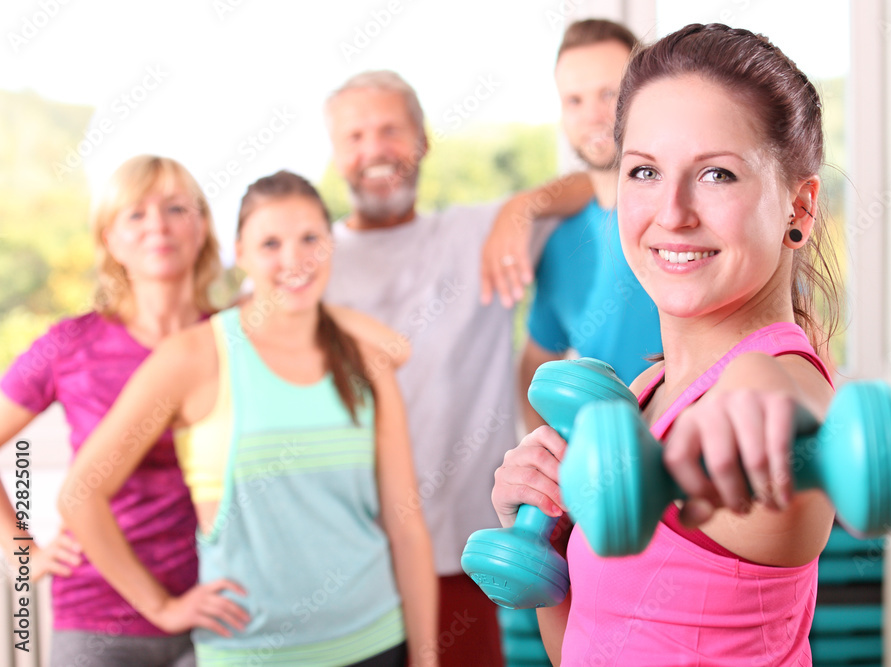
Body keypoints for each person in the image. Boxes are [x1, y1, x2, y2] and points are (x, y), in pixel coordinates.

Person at [492, 23, 843, 666]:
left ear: (799, 207)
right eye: (646, 170)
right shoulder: (644, 393)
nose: (672, 212)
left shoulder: (783, 381)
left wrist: (755, 396)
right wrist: (544, 535)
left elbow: (789, 435)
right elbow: (591, 642)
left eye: (716, 174)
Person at [58, 170, 437, 666]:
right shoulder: (197, 356)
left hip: (375, 641)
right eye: (270, 243)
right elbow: (80, 493)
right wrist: (162, 608)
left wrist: (427, 655)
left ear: (331, 244)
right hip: (250, 653)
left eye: (309, 240)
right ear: (240, 251)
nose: (293, 259)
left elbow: (405, 525)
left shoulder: (364, 360)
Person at [322, 70, 594, 666]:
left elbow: (589, 184)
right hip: (344, 559)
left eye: (391, 129)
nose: (375, 149)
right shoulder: (310, 262)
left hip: (460, 551)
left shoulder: (476, 233)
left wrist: (523, 206)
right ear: (336, 153)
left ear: (422, 141)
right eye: (356, 135)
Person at [0, 155, 217, 666]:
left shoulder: (234, 341)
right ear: (109, 239)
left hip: (215, 608)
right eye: (135, 214)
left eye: (175, 208)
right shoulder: (71, 345)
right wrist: (20, 548)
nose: (158, 225)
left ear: (203, 226)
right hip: (97, 619)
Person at [521, 18, 663, 433]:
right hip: (613, 477)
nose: (594, 116)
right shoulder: (560, 241)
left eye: (609, 93)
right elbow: (535, 365)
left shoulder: (689, 217)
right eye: (574, 101)